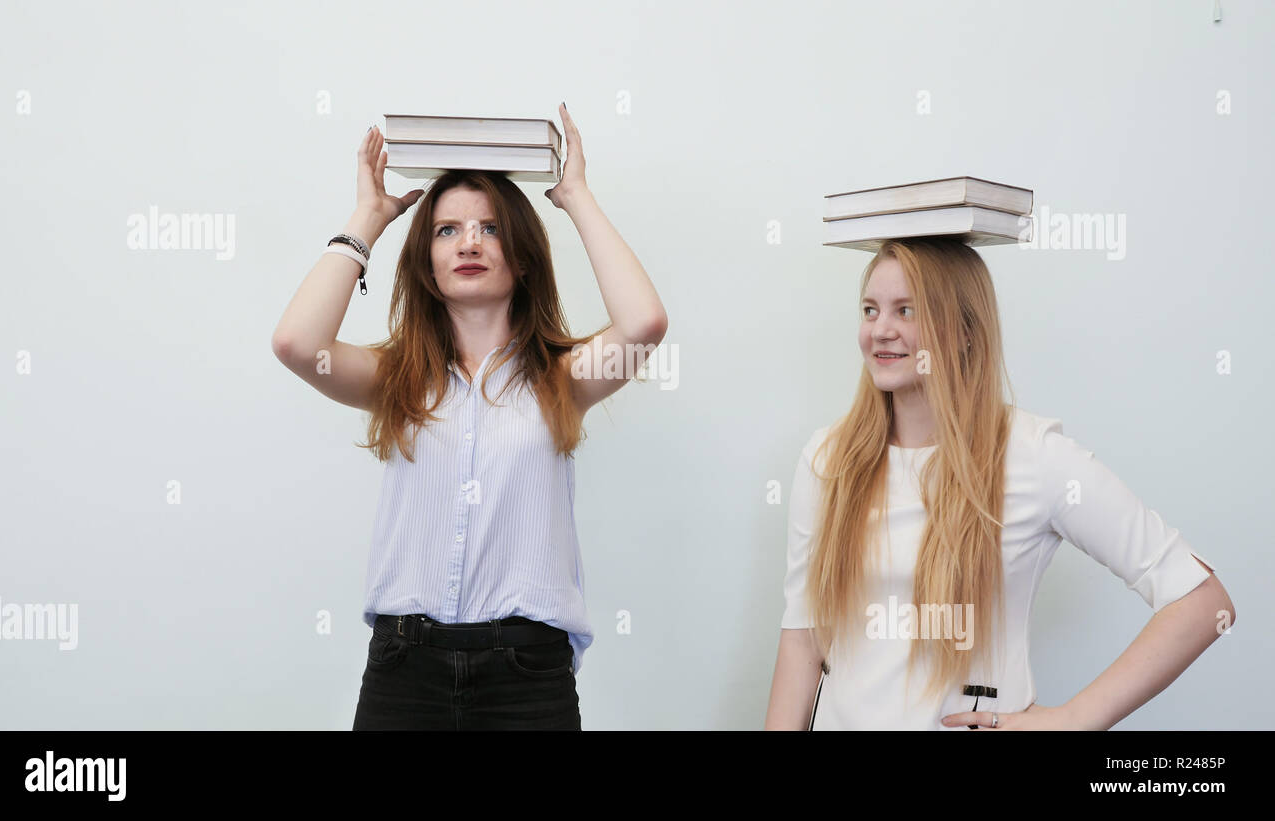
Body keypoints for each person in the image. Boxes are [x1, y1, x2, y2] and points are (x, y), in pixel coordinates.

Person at [271, 103, 667, 729]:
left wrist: (576, 196)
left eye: (490, 227)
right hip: (406, 669)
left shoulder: (561, 378)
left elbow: (644, 323)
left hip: (528, 676)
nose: (471, 242)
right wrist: (366, 221)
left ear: (525, 255)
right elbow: (296, 344)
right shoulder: (396, 380)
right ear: (426, 264)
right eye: (447, 230)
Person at [764, 237, 1235, 731]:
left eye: (906, 311)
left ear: (966, 331)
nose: (881, 330)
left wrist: (1076, 719)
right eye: (870, 310)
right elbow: (803, 639)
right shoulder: (827, 460)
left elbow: (1202, 601)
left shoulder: (1032, 456)